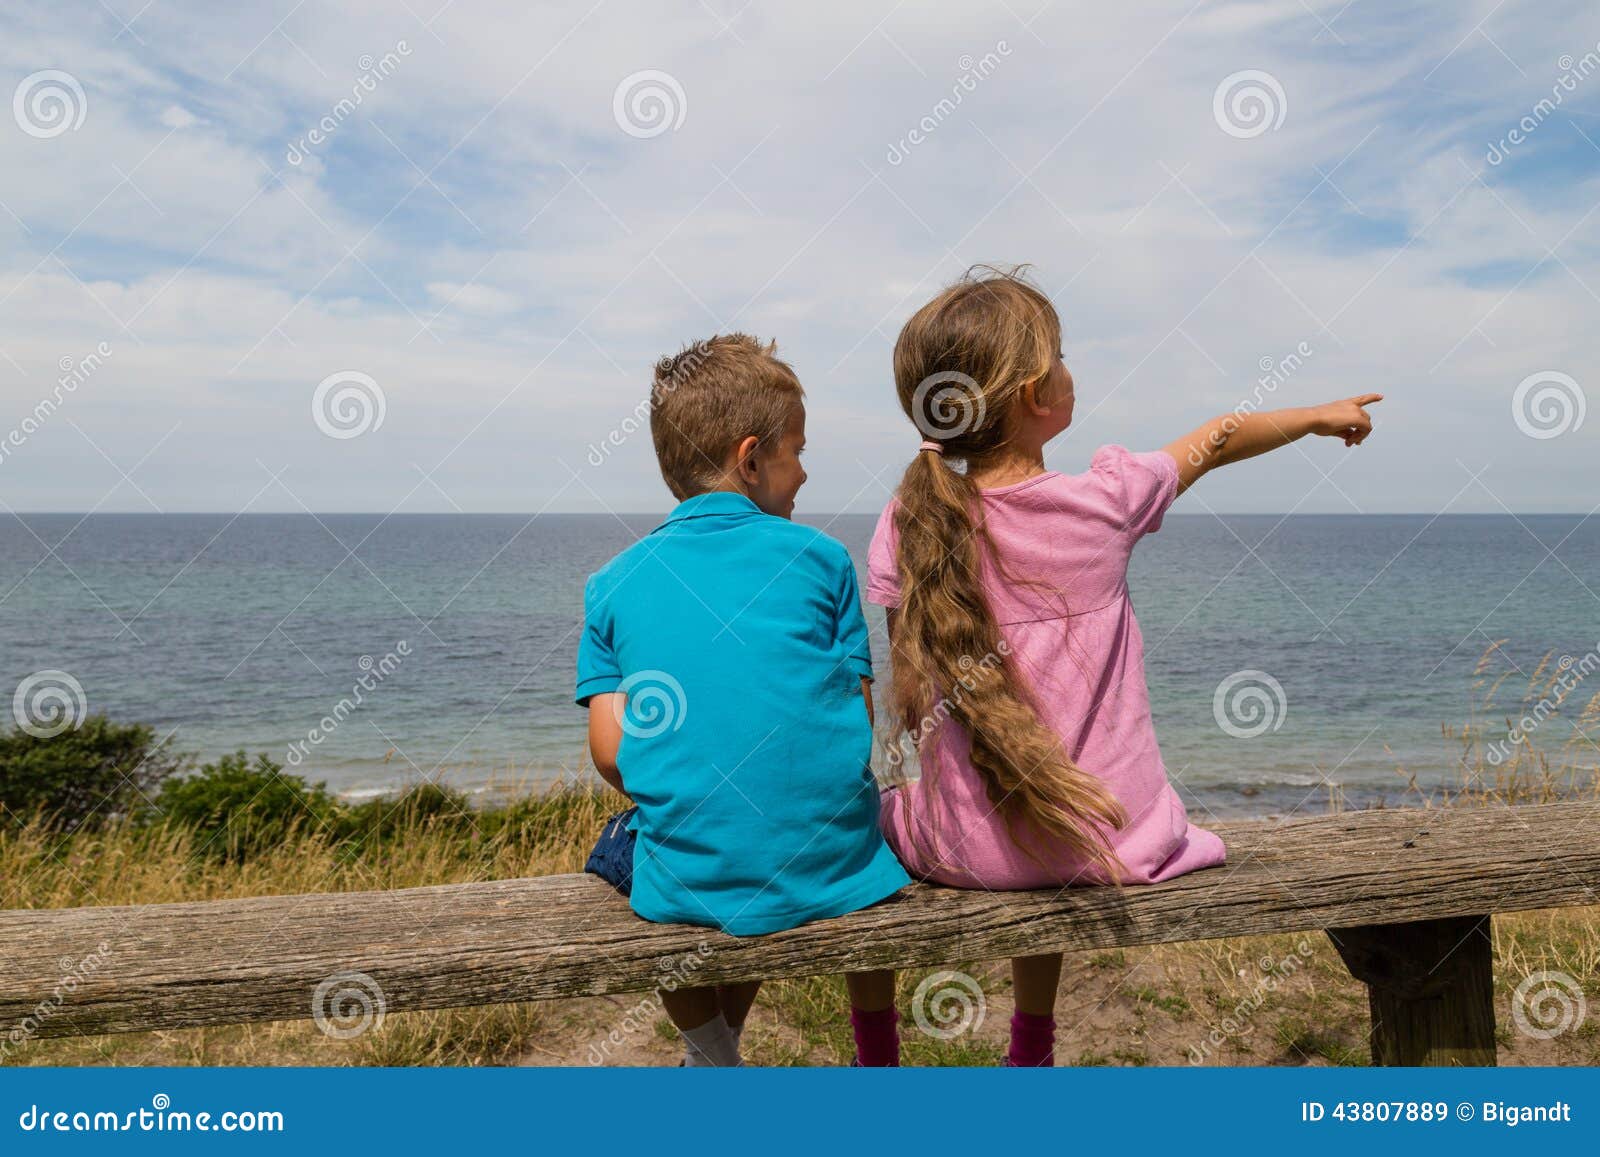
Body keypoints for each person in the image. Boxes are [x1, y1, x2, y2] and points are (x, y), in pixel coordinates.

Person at [868, 266, 1382, 1066]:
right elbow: (1216, 439)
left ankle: (875, 1053)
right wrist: (1317, 416)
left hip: (959, 852)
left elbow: (907, 683)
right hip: (1106, 843)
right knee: (1052, 798)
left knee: (878, 810)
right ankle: (1031, 1045)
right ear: (1040, 392)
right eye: (1063, 356)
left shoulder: (910, 519)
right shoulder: (1104, 501)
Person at [578, 334, 911, 1067]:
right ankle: (738, 1060)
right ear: (752, 457)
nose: (804, 470)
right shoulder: (823, 560)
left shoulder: (611, 583)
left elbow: (612, 756)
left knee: (628, 839)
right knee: (761, 809)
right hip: (834, 860)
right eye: (797, 450)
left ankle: (714, 1058)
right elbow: (850, 722)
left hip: (697, 879)